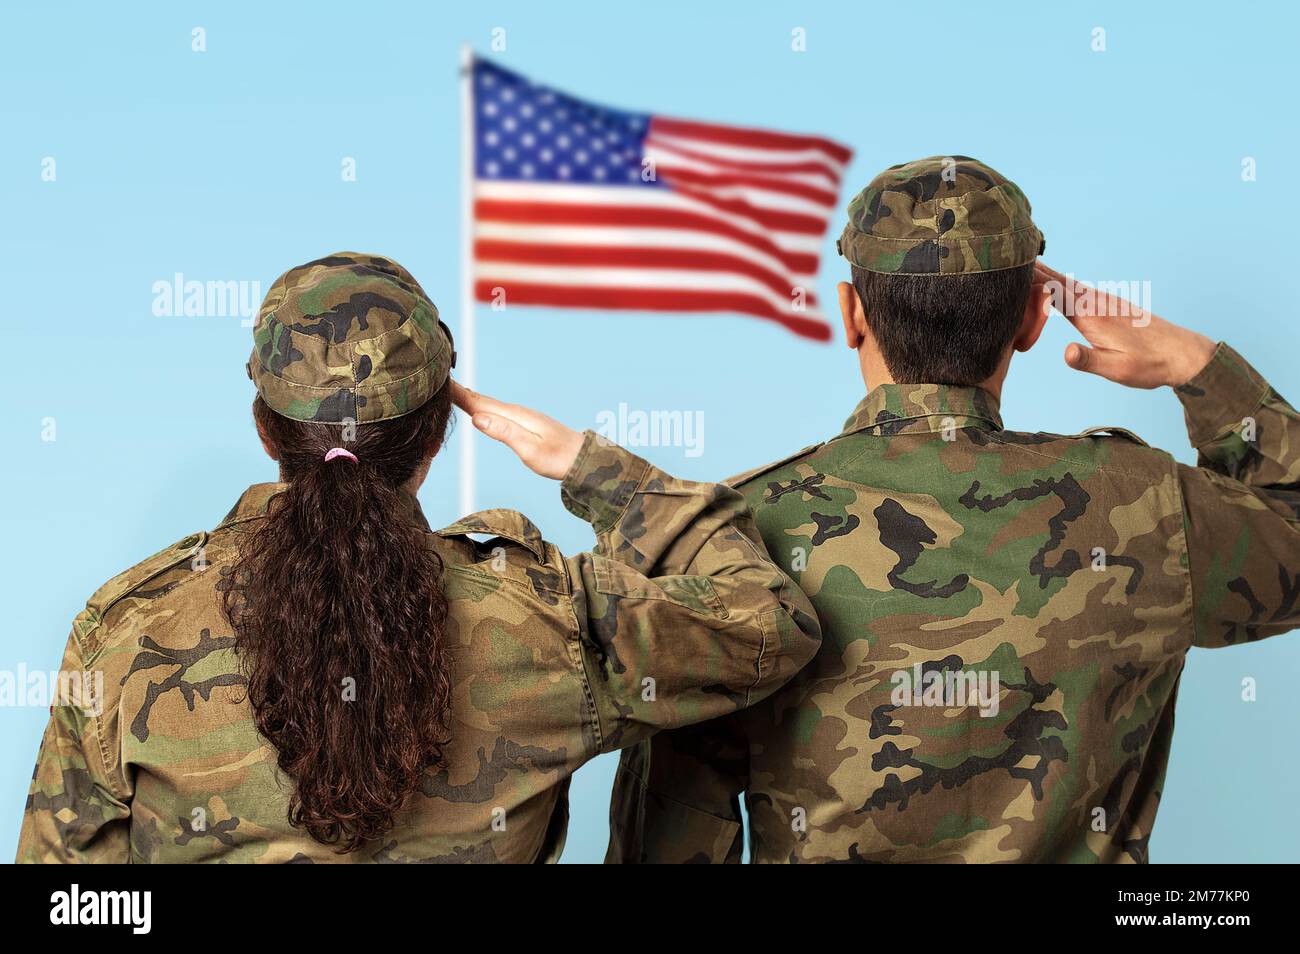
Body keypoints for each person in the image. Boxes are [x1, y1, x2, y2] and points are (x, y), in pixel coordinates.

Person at [16, 252, 820, 863]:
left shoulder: (125, 631)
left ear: (265, 429)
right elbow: (771, 622)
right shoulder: (548, 618)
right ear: (439, 433)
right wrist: (592, 468)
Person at [606, 156, 1300, 864]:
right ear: (1034, 317)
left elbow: (671, 836)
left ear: (849, 313)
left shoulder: (733, 535)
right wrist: (1202, 369)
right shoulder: (1146, 507)